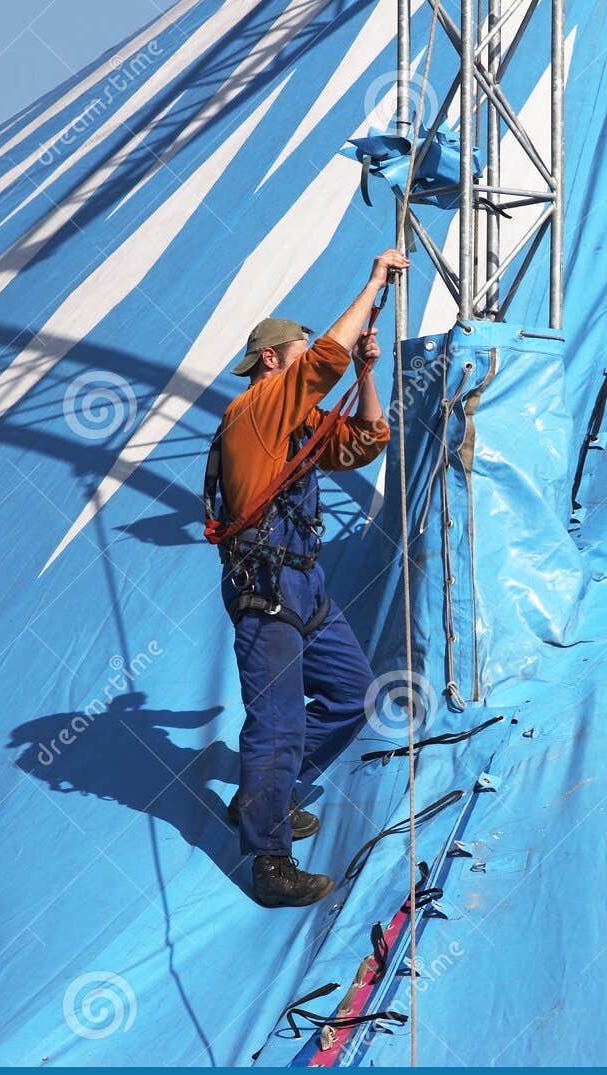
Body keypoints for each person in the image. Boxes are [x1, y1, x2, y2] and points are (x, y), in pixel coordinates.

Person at [207, 248, 410, 908]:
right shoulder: (257, 411)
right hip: (267, 589)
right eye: (299, 349)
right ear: (272, 359)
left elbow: (365, 441)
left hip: (302, 585)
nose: (310, 358)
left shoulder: (294, 423)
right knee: (278, 723)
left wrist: (370, 372)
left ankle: (264, 795)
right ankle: (269, 860)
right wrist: (374, 279)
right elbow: (326, 358)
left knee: (352, 692)